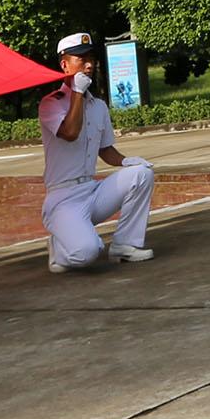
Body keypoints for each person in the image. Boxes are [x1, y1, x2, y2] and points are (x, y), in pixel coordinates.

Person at [42, 32, 156, 271]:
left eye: (91, 58)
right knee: (88, 252)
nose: (89, 65)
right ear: (64, 65)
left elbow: (105, 150)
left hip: (91, 191)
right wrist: (77, 94)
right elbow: (70, 132)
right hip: (62, 199)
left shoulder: (98, 106)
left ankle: (125, 244)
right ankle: (59, 250)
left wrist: (127, 161)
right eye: (81, 59)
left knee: (142, 173)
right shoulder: (51, 103)